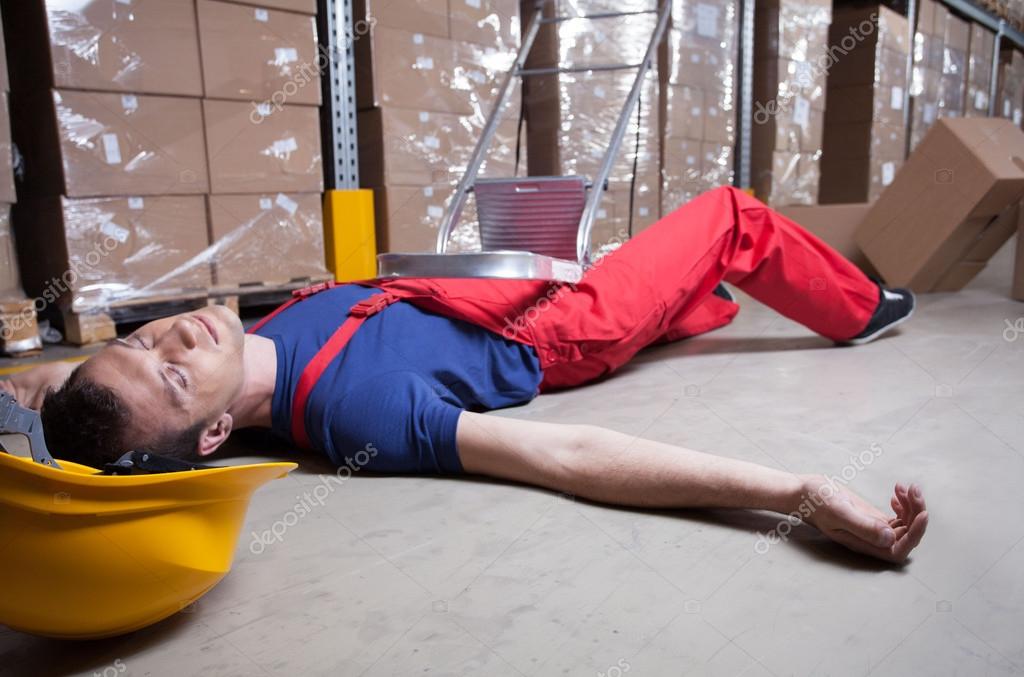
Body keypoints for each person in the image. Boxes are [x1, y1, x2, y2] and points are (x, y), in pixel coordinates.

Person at [2, 187, 927, 563]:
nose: (177, 337)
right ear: (212, 434)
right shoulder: (355, 411)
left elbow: (55, 389)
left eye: (142, 341)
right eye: (173, 378)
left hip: (508, 295)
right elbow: (568, 455)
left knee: (698, 295)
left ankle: (689, 303)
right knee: (730, 218)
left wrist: (35, 401)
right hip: (563, 330)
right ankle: (861, 309)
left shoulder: (227, 348)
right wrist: (797, 491)